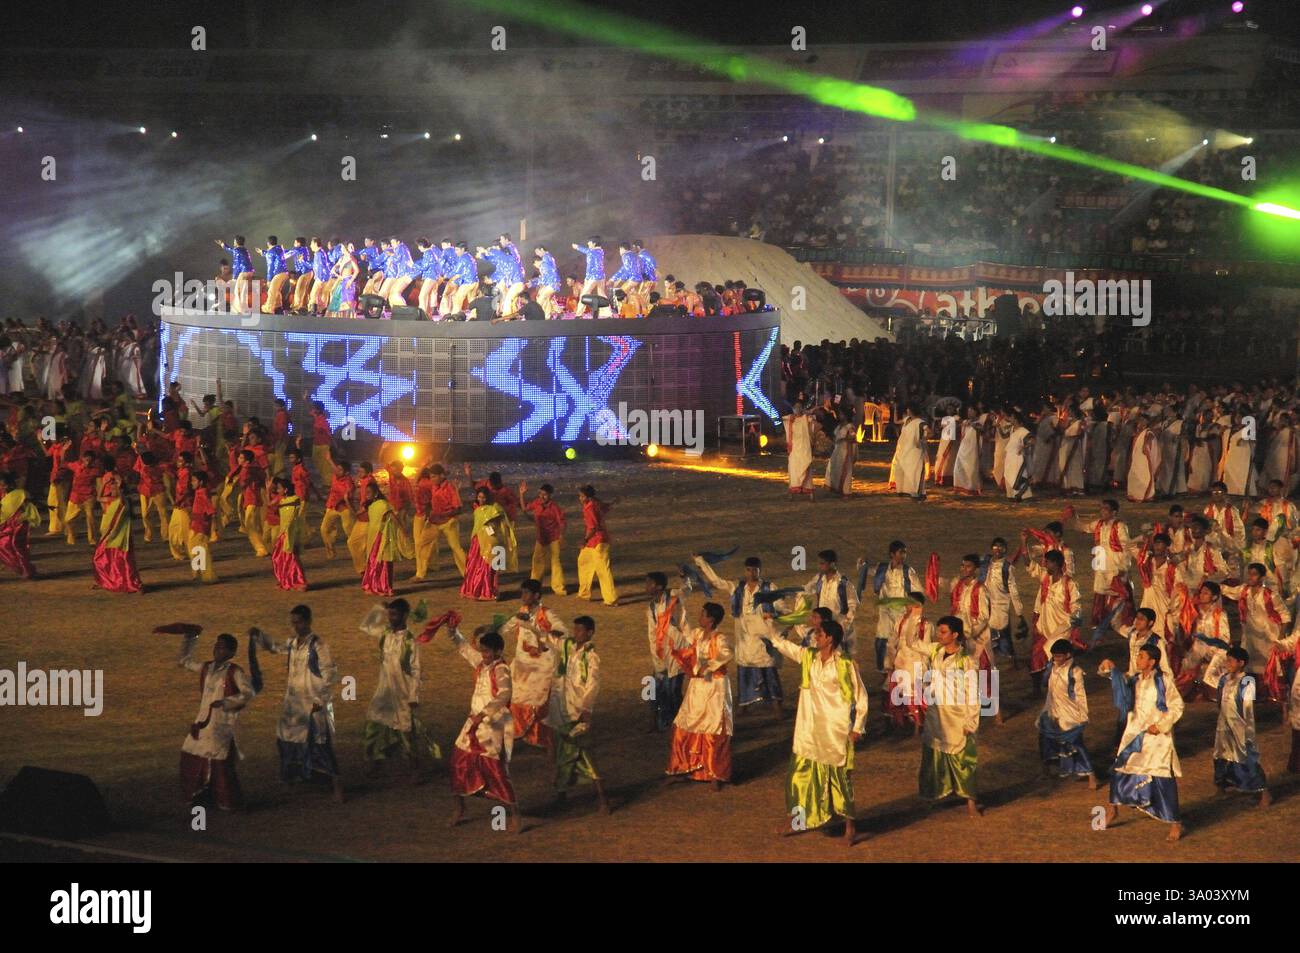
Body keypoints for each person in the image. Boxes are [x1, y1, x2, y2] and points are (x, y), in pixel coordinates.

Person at [764, 619, 867, 845]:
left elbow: (861, 696)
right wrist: (771, 629)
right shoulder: (809, 656)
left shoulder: (845, 664)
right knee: (799, 779)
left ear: (830, 638)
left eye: (819, 634)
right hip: (808, 730)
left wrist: (858, 727)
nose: (815, 637)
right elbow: (784, 646)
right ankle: (797, 820)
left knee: (840, 782)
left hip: (834, 731)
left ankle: (850, 828)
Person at [248, 605, 344, 803]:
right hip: (293, 702)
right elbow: (275, 647)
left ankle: (337, 787)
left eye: (298, 622)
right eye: (293, 622)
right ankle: (298, 776)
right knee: (287, 738)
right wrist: (260, 636)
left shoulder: (318, 645)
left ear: (308, 621)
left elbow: (330, 673)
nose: (295, 626)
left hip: (312, 702)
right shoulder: (293, 643)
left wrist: (320, 700)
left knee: (320, 743)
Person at [1100, 645, 1185, 841]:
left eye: (1141, 656)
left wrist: (1161, 725)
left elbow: (1177, 706)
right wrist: (1109, 668)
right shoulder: (1135, 680)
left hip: (1156, 738)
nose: (1137, 659)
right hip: (1134, 733)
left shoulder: (1163, 681)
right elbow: (1118, 683)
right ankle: (1112, 809)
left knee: (1162, 778)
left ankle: (1175, 822)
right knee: (1120, 771)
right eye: (1137, 656)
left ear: (1152, 662)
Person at [693, 553, 787, 716]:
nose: (751, 573)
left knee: (769, 673)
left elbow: (782, 609)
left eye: (754, 570)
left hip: (763, 640)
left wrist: (780, 619)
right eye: (748, 570)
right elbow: (716, 581)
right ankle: (743, 706)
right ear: (745, 570)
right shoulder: (737, 588)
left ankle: (776, 706)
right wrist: (700, 562)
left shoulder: (769, 589)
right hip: (744, 639)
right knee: (745, 672)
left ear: (759, 571)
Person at [447, 624, 518, 830]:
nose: (483, 654)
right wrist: (453, 632)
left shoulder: (501, 669)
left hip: (492, 725)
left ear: (498, 652)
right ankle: (459, 809)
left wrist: (484, 713)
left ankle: (514, 813)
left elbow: (504, 694)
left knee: (495, 770)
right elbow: (465, 649)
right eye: (483, 651)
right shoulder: (482, 663)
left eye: (487, 651)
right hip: (474, 722)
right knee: (456, 763)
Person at [176, 630, 254, 813]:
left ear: (230, 653)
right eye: (215, 646)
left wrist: (226, 702)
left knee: (219, 764)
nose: (216, 650)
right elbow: (184, 661)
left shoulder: (234, 672)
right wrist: (190, 637)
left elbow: (247, 693)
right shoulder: (206, 668)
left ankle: (226, 801)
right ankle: (200, 794)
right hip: (202, 722)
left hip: (221, 725)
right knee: (191, 755)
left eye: (221, 647)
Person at [360, 599, 436, 780]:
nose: (391, 618)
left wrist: (413, 695)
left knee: (406, 732)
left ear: (404, 616)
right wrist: (379, 607)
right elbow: (366, 626)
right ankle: (376, 763)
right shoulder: (385, 633)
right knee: (374, 724)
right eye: (389, 614)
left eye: (394, 614)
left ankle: (415, 769)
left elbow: (416, 670)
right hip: (384, 690)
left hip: (403, 691)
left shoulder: (411, 641)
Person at [541, 614, 609, 813]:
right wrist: (534, 624)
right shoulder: (570, 647)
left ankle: (603, 799)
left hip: (578, 710)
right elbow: (550, 639)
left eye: (580, 630)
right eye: (575, 629)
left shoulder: (591, 656)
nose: (576, 633)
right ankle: (562, 795)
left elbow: (593, 684)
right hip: (565, 708)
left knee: (585, 755)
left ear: (590, 633)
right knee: (563, 753)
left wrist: (587, 709)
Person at [917, 616, 982, 816]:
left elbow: (973, 692)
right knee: (933, 756)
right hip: (937, 714)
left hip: (957, 717)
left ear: (955, 635)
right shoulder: (936, 650)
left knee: (963, 760)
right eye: (938, 631)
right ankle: (932, 795)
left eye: (943, 632)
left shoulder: (966, 661)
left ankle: (970, 800)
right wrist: (913, 618)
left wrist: (970, 721)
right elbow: (912, 643)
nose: (939, 634)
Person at [665, 602, 733, 790]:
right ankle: (684, 767)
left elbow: (727, 653)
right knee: (686, 722)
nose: (700, 616)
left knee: (713, 727)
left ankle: (715, 773)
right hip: (698, 686)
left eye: (703, 614)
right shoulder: (697, 634)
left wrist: (709, 665)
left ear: (711, 619)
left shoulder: (720, 638)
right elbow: (684, 630)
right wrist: (677, 608)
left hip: (715, 687)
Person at [500, 579, 568, 752]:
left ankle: (539, 737)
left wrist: (546, 632)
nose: (523, 596)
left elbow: (563, 632)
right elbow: (504, 630)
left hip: (541, 668)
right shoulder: (521, 612)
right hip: (522, 666)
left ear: (536, 595)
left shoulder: (547, 614)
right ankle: (518, 732)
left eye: (526, 593)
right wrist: (513, 620)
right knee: (516, 698)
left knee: (538, 701)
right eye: (522, 592)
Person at [1213, 646, 1271, 806]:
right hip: (1223, 724)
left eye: (1230, 660)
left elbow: (1248, 708)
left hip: (1240, 726)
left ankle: (1264, 792)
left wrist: (1247, 730)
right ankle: (1222, 786)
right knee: (1221, 754)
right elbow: (1220, 699)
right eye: (1227, 660)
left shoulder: (1247, 681)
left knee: (1246, 757)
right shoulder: (1224, 679)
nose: (1227, 663)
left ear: (1241, 663)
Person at [1038, 639, 1097, 787]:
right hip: (1052, 709)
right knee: (1044, 738)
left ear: (1068, 655)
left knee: (1076, 743)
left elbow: (1080, 695)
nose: (1056, 659)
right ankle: (1046, 770)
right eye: (1054, 656)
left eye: (1059, 656)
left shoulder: (1075, 672)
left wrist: (1083, 716)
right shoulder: (1052, 667)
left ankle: (1091, 776)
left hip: (1069, 713)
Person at [646, 570, 691, 731]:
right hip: (661, 651)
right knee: (650, 687)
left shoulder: (673, 597)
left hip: (678, 651)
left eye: (649, 583)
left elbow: (687, 589)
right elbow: (652, 633)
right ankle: (653, 720)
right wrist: (655, 656)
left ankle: (680, 722)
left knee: (674, 690)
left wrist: (685, 577)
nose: (646, 587)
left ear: (658, 587)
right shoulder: (651, 607)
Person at [864, 541, 918, 675]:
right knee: (882, 640)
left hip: (902, 612)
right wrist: (862, 565)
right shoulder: (882, 569)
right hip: (885, 611)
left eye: (904, 552)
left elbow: (917, 590)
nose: (904, 555)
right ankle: (884, 672)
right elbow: (869, 571)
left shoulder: (908, 571)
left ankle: (898, 672)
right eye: (901, 552)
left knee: (901, 642)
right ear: (892, 554)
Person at [91, 463, 143, 593]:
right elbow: (98, 498)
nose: (111, 488)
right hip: (110, 534)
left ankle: (134, 585)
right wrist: (104, 484)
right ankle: (106, 581)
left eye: (113, 487)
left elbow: (121, 497)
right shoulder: (110, 500)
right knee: (102, 558)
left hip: (119, 536)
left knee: (123, 561)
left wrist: (118, 482)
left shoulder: (123, 501)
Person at [415, 464, 466, 579]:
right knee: (420, 544)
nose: (431, 479)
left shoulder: (450, 488)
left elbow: (458, 509)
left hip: (449, 522)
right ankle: (420, 574)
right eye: (430, 477)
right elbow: (417, 481)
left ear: (441, 476)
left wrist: (443, 514)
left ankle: (469, 574)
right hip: (434, 522)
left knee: (456, 548)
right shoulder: (433, 485)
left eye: (433, 477)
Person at [461, 485, 508, 601]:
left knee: (487, 567)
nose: (481, 500)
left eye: (483, 497)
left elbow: (499, 521)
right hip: (477, 541)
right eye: (479, 497)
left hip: (489, 541)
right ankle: (474, 590)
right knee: (474, 566)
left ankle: (487, 591)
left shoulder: (493, 510)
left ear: (488, 498)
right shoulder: (477, 510)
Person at [520, 481, 566, 595]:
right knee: (537, 563)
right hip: (541, 538)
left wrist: (561, 535)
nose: (542, 496)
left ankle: (559, 588)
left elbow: (562, 523)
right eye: (540, 494)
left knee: (556, 563)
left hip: (553, 538)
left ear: (550, 495)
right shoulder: (537, 503)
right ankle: (534, 587)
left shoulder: (555, 508)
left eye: (544, 494)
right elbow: (524, 508)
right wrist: (521, 494)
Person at [576, 484, 618, 606]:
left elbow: (593, 528)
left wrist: (584, 540)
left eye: (582, 496)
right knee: (583, 561)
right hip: (594, 542)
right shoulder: (595, 502)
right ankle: (584, 593)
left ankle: (611, 599)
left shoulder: (589, 508)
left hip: (598, 541)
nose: (580, 498)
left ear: (588, 497)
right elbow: (606, 507)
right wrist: (614, 502)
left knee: (602, 570)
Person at [270, 477, 308, 592]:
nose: (277, 491)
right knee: (280, 558)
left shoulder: (295, 499)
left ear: (285, 490)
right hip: (283, 534)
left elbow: (295, 517)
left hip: (292, 534)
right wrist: (268, 490)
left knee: (293, 558)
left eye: (279, 488)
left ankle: (301, 582)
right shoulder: (282, 500)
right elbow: (270, 505)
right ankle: (285, 580)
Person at [360, 480, 398, 597]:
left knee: (384, 562)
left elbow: (392, 517)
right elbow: (357, 515)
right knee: (373, 562)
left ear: (376, 493)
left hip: (382, 536)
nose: (367, 495)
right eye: (366, 492)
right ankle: (375, 585)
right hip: (372, 536)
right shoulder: (370, 506)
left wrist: (402, 530)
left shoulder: (383, 504)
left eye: (369, 492)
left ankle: (385, 587)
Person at [0, 471, 39, 578]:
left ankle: (28, 571)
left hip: (20, 523)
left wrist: (26, 516)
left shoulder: (20, 493)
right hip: (7, 524)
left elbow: (31, 506)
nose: (2, 487)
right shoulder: (2, 494)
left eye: (4, 484)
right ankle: (21, 567)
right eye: (1, 485)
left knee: (17, 544)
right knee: (4, 545)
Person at [888, 405, 927, 500]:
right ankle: (903, 490)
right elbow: (896, 421)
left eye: (908, 409)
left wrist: (922, 440)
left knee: (914, 471)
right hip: (903, 449)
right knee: (901, 469)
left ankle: (916, 492)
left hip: (915, 450)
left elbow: (928, 432)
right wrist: (895, 409)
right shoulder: (907, 420)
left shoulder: (920, 422)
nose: (907, 410)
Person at [781, 401, 816, 499]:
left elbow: (814, 422)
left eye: (799, 407)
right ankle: (792, 493)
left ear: (802, 408)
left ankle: (810, 493)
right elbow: (782, 419)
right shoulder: (790, 419)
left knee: (807, 468)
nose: (797, 409)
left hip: (805, 449)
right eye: (795, 407)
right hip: (794, 450)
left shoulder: (806, 418)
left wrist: (808, 413)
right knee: (793, 469)